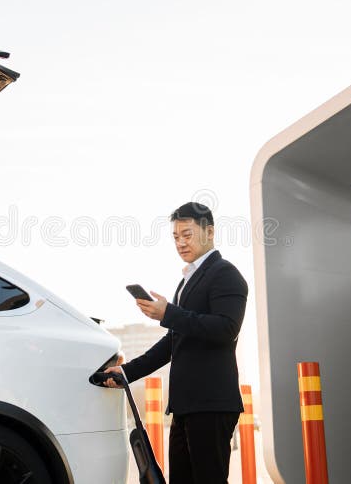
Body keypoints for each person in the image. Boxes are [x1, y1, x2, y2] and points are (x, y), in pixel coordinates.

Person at [104, 201, 248, 484]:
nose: (180, 243)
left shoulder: (226, 274)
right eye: (175, 237)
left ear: (209, 232)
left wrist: (169, 313)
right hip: (185, 406)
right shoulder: (186, 281)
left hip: (212, 403)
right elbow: (173, 343)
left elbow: (227, 328)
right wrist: (127, 372)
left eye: (187, 234)